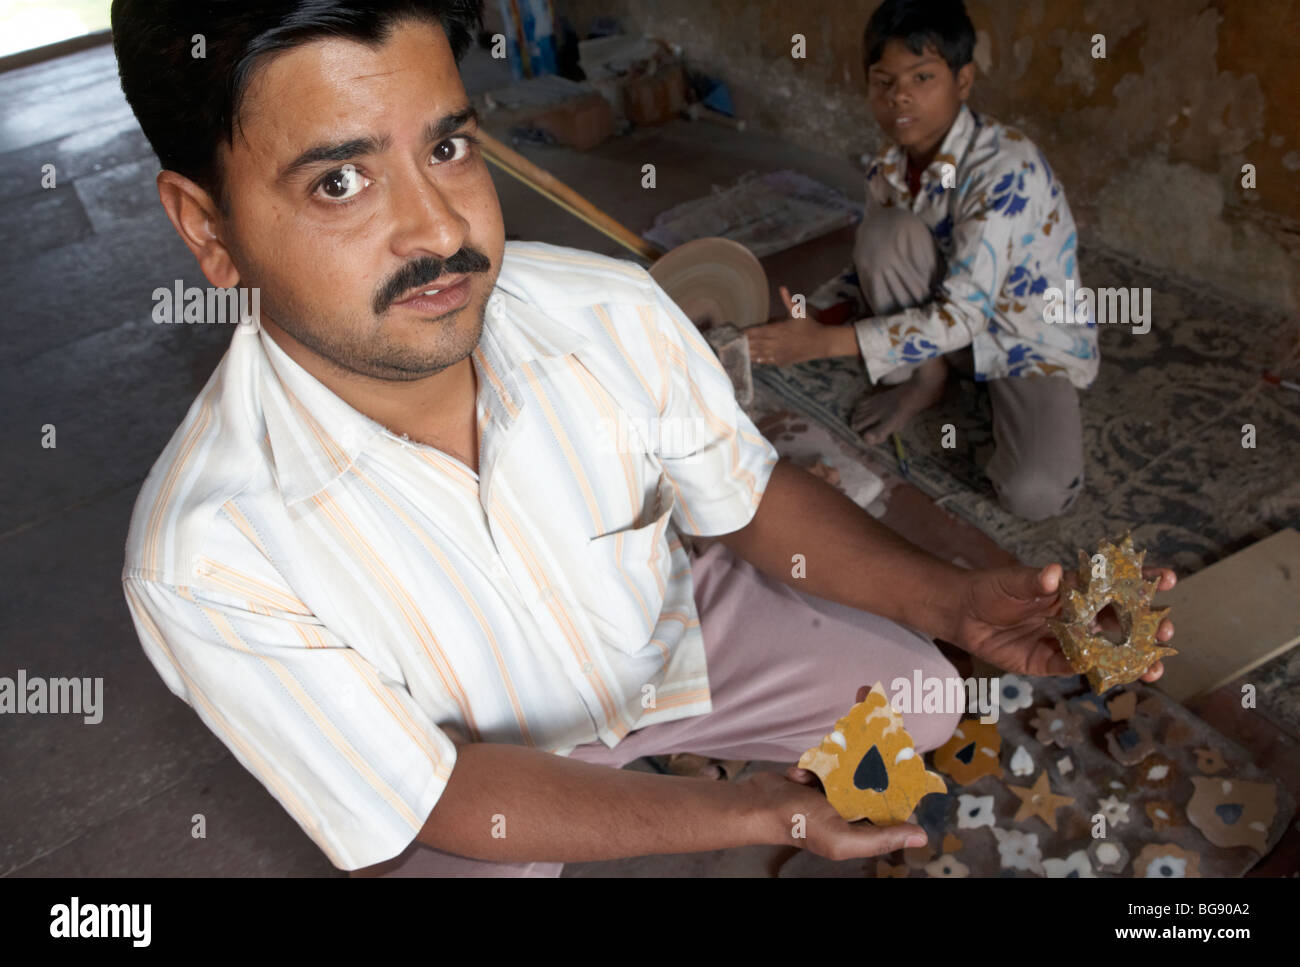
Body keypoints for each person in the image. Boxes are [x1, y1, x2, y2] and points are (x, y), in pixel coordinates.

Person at [112, 0, 1171, 877]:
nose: (438, 229)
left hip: (664, 644)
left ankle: (682, 746)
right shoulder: (206, 554)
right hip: (479, 766)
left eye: (447, 146)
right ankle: (662, 784)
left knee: (925, 698)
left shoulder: (606, 310)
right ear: (208, 228)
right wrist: (764, 813)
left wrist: (953, 602)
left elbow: (747, 495)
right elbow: (436, 793)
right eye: (339, 181)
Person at [747, 0, 1099, 522]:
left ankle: (987, 400)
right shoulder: (889, 166)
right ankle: (927, 379)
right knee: (884, 233)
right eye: (882, 81)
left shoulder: (1005, 168)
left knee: (1035, 494)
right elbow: (874, 264)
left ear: (963, 81)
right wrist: (809, 316)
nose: (900, 96)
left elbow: (965, 316)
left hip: (1025, 336)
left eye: (922, 77)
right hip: (949, 320)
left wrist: (824, 344)